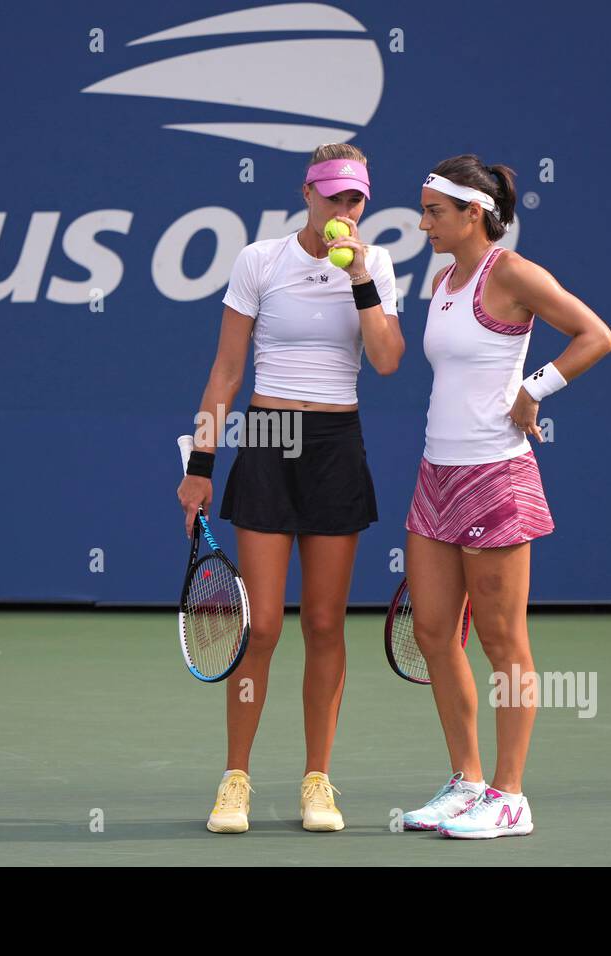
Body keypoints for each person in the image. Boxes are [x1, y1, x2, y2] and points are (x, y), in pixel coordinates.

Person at [177, 143, 404, 833]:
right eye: (332, 196)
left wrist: (360, 276)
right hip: (272, 439)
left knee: (328, 624)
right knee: (265, 625)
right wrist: (201, 464)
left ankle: (317, 782)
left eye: (355, 200)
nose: (343, 210)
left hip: (337, 443)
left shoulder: (379, 263)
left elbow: (388, 361)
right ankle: (235, 781)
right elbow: (226, 370)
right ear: (306, 193)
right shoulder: (259, 260)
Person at [399, 155, 611, 839]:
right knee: (435, 633)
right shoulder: (441, 280)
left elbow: (596, 334)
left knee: (502, 640)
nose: (423, 220)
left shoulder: (513, 273)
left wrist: (534, 390)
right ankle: (466, 783)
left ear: (473, 213)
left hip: (497, 476)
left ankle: (511, 794)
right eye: (424, 209)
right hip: (436, 476)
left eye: (435, 210)